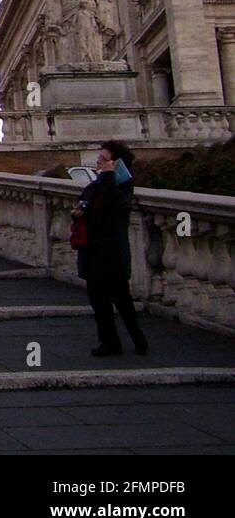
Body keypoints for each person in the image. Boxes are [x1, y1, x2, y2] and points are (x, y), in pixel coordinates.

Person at [73, 141, 148, 357]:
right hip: (93, 249)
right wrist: (78, 213)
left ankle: (138, 339)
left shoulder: (122, 186)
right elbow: (86, 204)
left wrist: (107, 176)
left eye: (103, 159)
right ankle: (109, 341)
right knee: (99, 301)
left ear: (115, 164)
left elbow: (114, 204)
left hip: (111, 250)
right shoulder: (95, 184)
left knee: (122, 299)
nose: (98, 161)